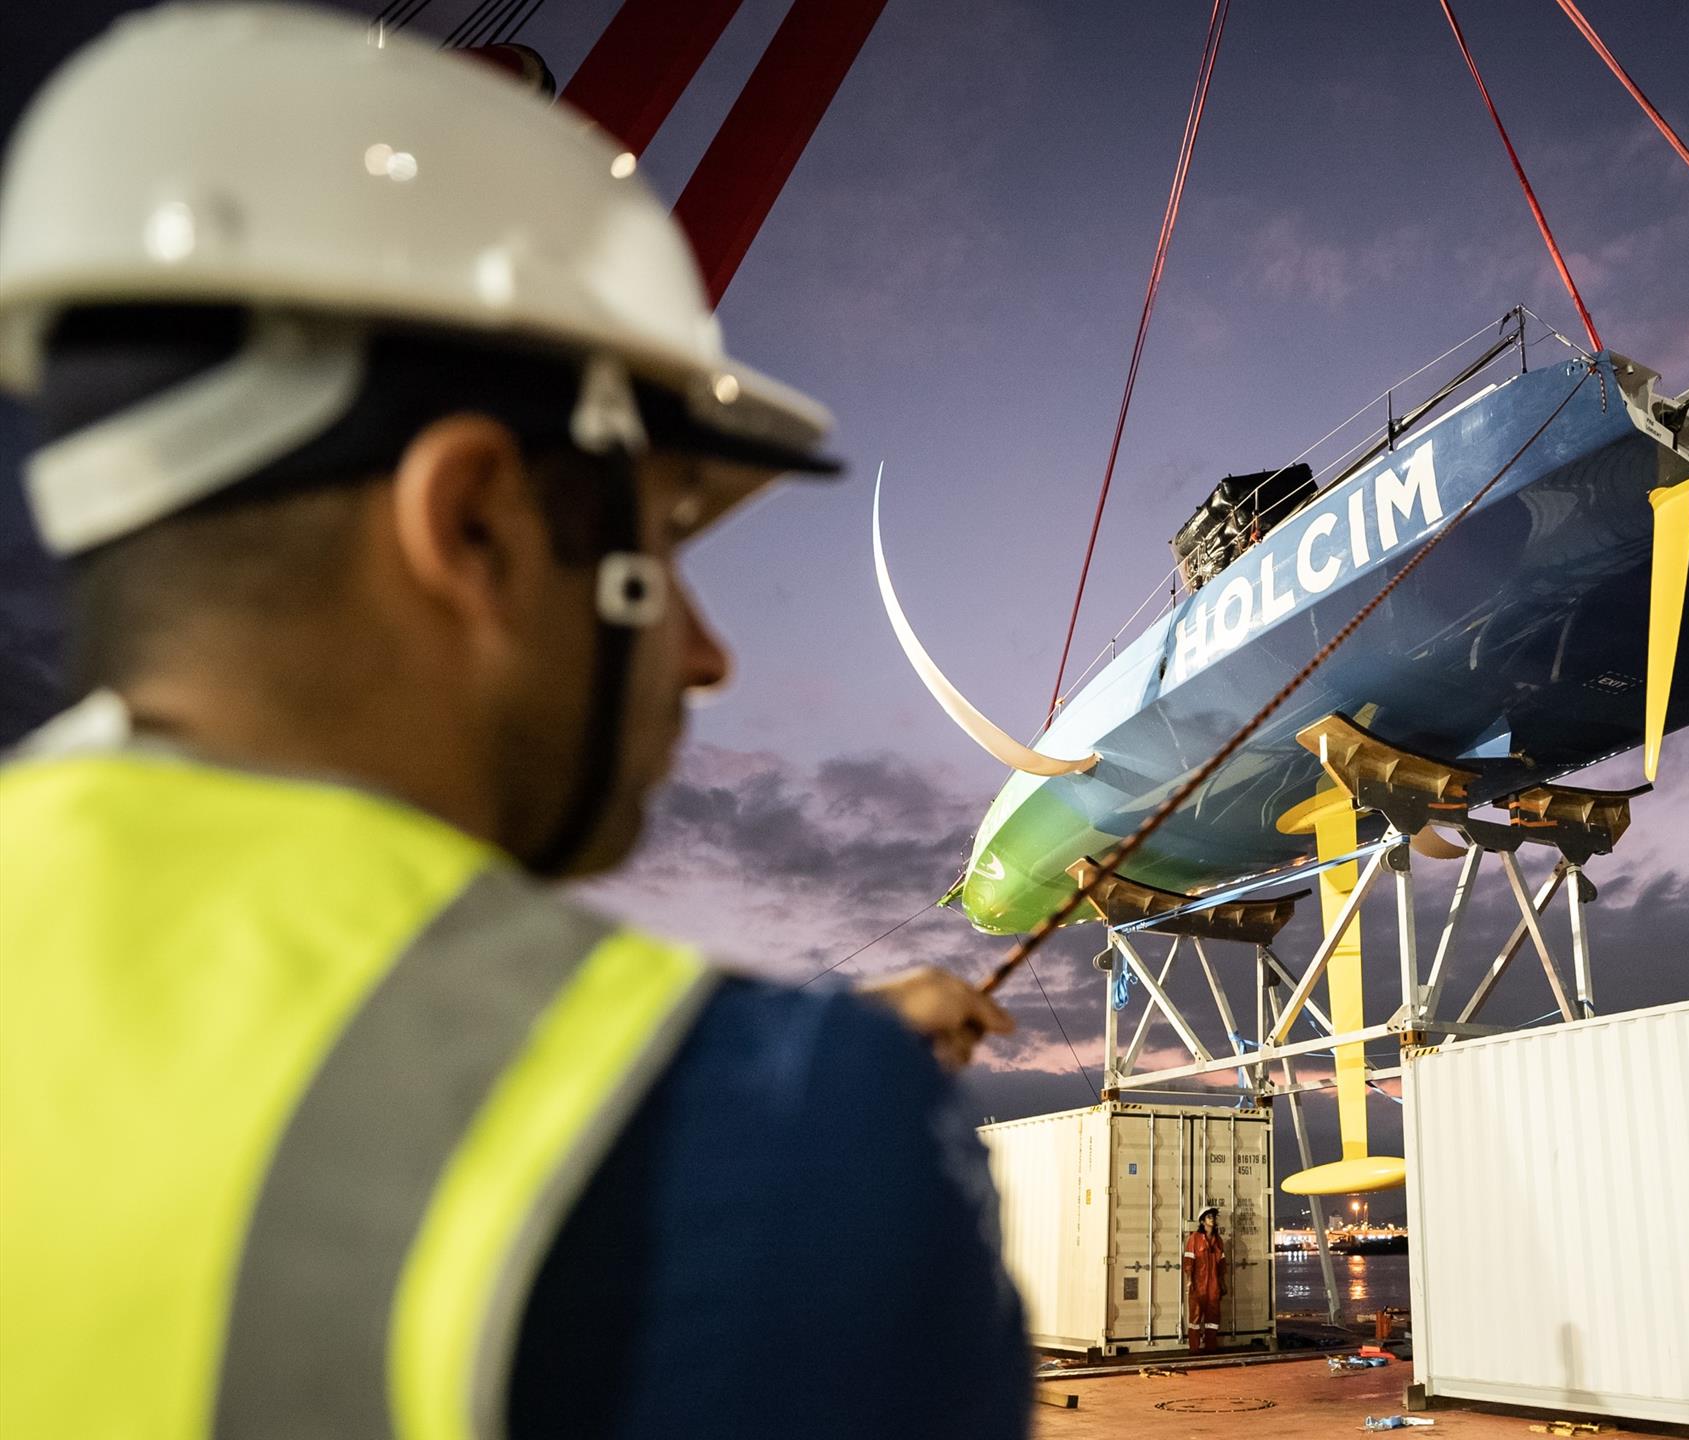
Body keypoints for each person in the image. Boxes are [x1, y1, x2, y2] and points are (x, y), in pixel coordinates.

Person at [0, 6, 1027, 1437]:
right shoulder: (788, 1151)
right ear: (473, 525)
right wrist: (809, 1096)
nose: (712, 653)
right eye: (664, 551)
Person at [1183, 1204, 1228, 1352]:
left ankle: (1211, 1348)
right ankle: (1194, 1349)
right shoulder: (1194, 1239)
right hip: (1198, 1284)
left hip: (1213, 1286)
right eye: (1209, 1217)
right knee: (1195, 1319)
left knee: (1213, 1319)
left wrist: (1222, 1283)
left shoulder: (1218, 1240)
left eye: (1213, 1217)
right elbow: (1189, 1261)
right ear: (1202, 1221)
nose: (1212, 1219)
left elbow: (1221, 1264)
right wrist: (1190, 1280)